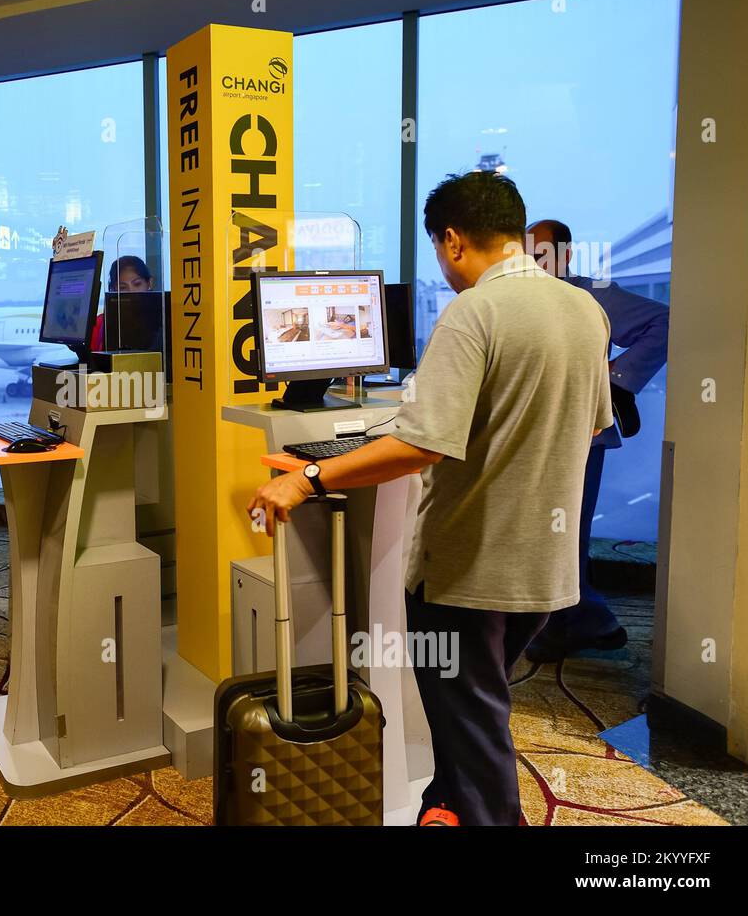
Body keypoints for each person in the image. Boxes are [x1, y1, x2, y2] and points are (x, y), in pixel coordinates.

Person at [247, 172, 612, 826]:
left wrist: (307, 479)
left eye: (441, 253)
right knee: (471, 714)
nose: (445, 269)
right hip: (545, 577)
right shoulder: (585, 310)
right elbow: (586, 425)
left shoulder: (475, 311)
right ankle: (439, 806)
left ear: (452, 239)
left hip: (465, 574)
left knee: (476, 740)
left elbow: (423, 445)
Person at [523, 218, 670, 662]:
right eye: (525, 252)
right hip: (537, 436)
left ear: (565, 255)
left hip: (579, 437)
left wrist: (615, 379)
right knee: (548, 534)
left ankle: (587, 621)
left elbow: (663, 324)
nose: (531, 261)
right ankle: (573, 619)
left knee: (565, 533)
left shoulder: (593, 293)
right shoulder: (520, 300)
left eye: (540, 253)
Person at [89, 255, 154, 351]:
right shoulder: (100, 323)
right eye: (123, 287)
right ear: (114, 289)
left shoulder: (165, 319)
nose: (131, 291)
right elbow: (85, 363)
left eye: (137, 284)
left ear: (149, 283)